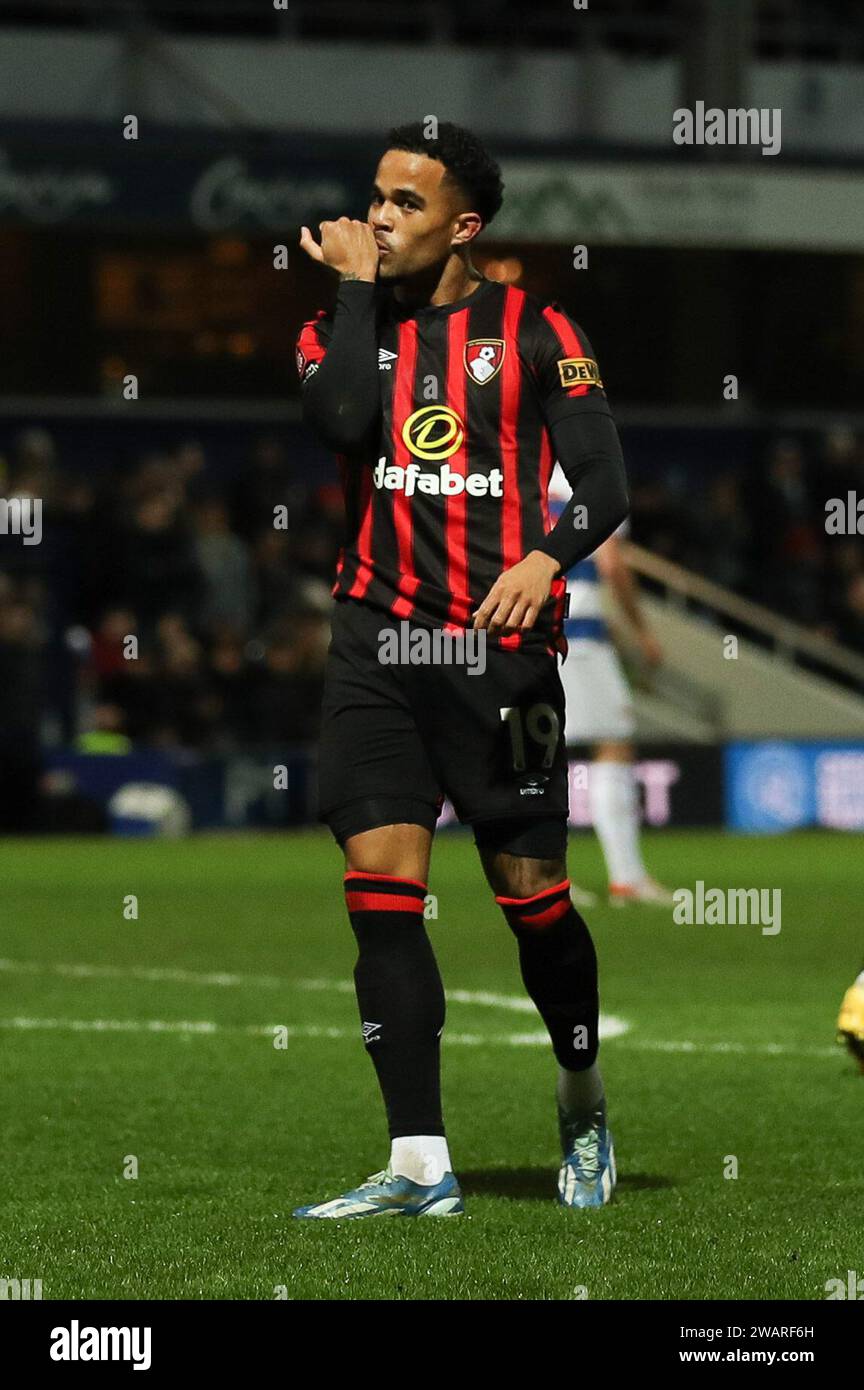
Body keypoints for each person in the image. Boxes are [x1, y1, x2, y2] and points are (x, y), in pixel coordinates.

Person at [292, 122, 628, 1219]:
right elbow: (343, 420)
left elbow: (605, 489)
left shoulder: (539, 328)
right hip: (376, 645)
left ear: (463, 226)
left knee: (535, 910)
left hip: (499, 656)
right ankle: (421, 1162)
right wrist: (351, 295)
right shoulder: (340, 327)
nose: (379, 215)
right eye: (374, 194)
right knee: (383, 902)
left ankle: (580, 1091)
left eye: (406, 202)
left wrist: (545, 555)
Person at [549, 465, 674, 907]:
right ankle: (627, 878)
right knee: (614, 743)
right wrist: (641, 631)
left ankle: (540, 879)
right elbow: (612, 563)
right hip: (577, 634)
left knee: (536, 751)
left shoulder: (517, 468)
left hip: (524, 629)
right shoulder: (595, 475)